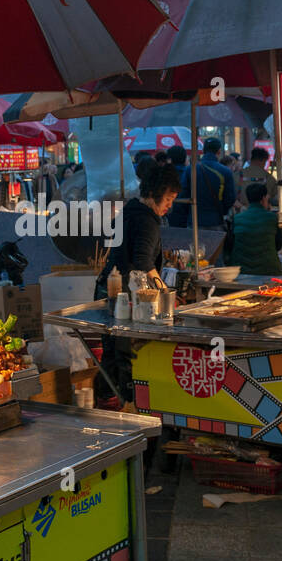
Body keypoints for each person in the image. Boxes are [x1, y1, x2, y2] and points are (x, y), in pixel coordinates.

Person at [93, 165, 182, 405]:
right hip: (123, 294)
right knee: (124, 353)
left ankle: (105, 400)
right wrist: (164, 292)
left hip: (108, 288)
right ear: (154, 193)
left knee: (111, 351)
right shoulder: (147, 221)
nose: (170, 205)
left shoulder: (130, 211)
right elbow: (143, 261)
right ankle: (129, 405)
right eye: (168, 199)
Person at [226, 183, 282, 276]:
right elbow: (278, 245)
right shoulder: (273, 218)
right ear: (263, 199)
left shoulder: (237, 218)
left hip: (240, 271)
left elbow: (230, 245)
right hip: (270, 270)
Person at [179, 137, 235, 230]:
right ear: (219, 151)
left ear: (203, 150)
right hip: (216, 220)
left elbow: (183, 195)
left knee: (194, 245)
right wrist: (221, 210)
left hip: (194, 220)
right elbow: (230, 198)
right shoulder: (225, 171)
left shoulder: (190, 169)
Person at [166, 145, 189, 227]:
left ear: (170, 159)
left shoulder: (165, 173)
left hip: (168, 212)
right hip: (188, 213)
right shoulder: (190, 173)